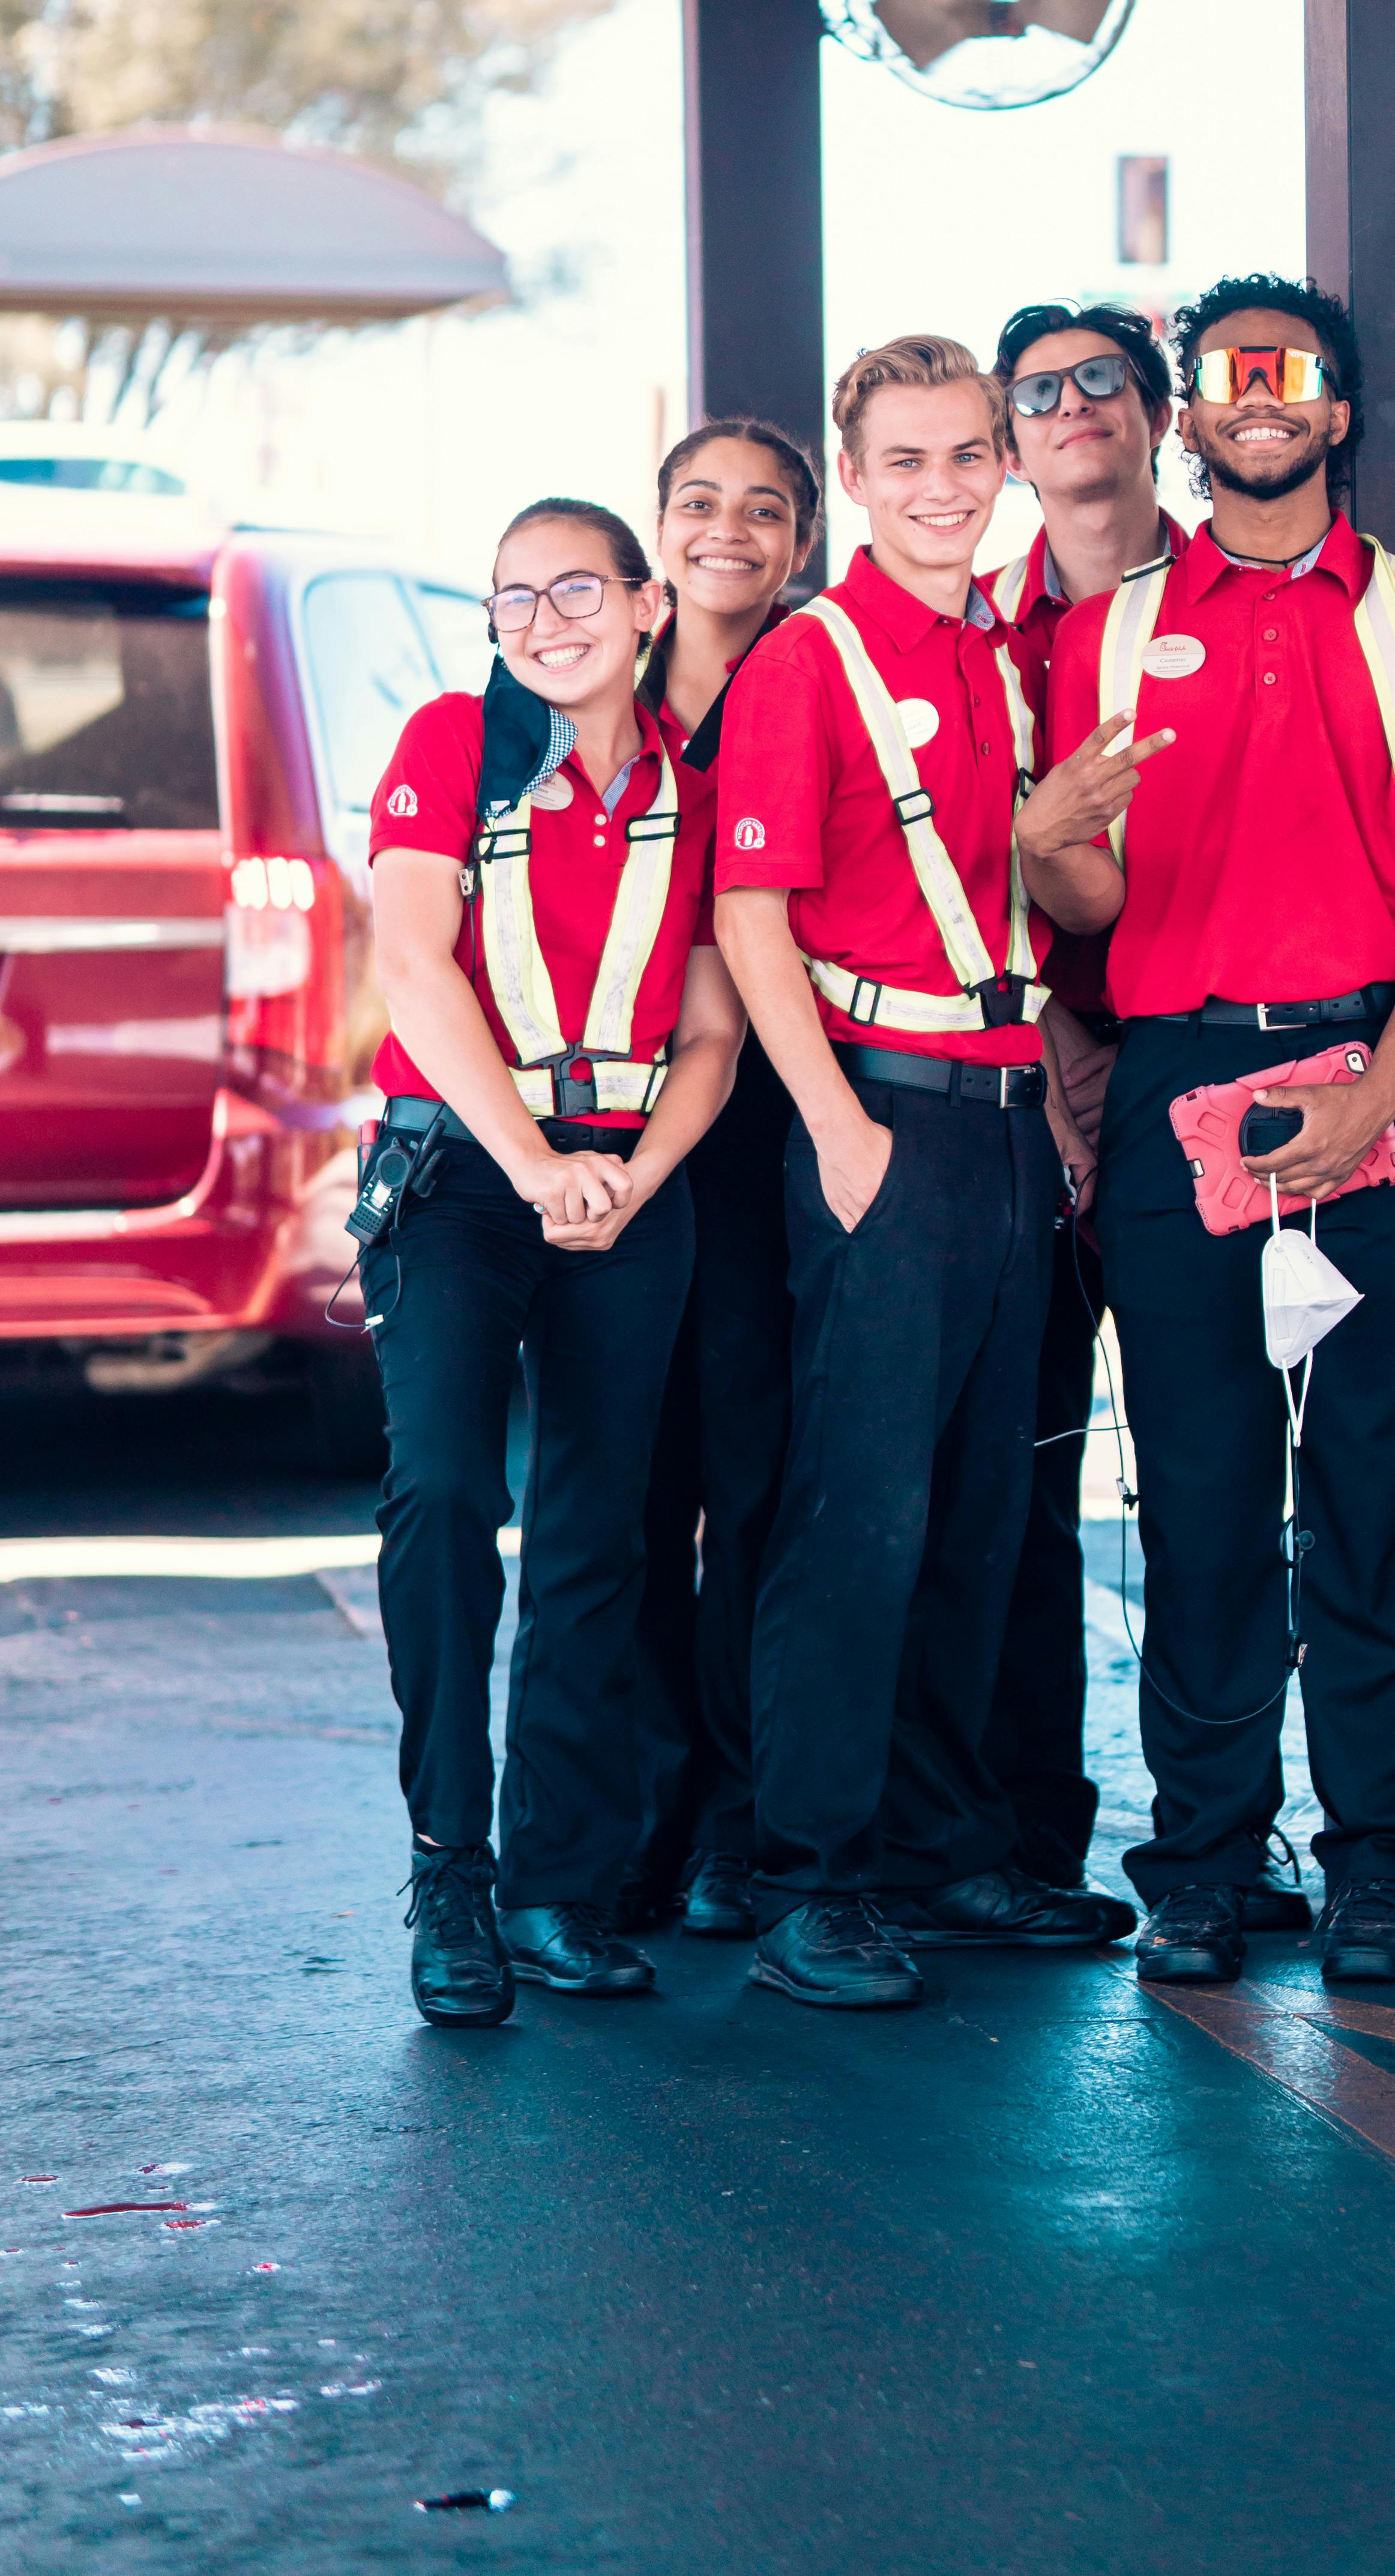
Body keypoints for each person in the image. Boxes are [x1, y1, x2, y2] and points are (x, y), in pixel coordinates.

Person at [1022, 274, 1395, 1991]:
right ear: (1186, 415)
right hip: (1184, 1085)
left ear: (1337, 408)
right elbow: (1088, 908)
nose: (1257, 399)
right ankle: (1197, 1857)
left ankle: (1380, 1861)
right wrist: (1051, 846)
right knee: (1197, 1493)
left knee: (1375, 1493)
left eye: (1290, 374)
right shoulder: (1094, 632)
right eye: (1226, 378)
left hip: (1373, 1083)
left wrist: (1377, 1096)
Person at [714, 334, 1124, 2010]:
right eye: (907, 460)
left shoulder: (996, 658)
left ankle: (948, 1850)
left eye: (970, 454)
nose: (945, 485)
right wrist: (837, 1132)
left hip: (1007, 1108)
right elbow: (752, 917)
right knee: (858, 1511)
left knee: (981, 1508)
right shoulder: (810, 660)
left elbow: (1064, 906)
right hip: (881, 1109)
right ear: (854, 480)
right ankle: (812, 1874)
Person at [366, 498, 745, 2028]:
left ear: (648, 604)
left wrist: (634, 1178)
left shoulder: (696, 785)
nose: (543, 618)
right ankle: (451, 1864)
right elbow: (410, 960)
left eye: (576, 588)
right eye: (513, 596)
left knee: (602, 1536)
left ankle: (556, 1883)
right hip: (464, 1173)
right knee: (447, 1489)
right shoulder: (453, 739)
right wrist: (535, 1169)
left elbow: (713, 1026)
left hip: (631, 1173)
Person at [981, 301, 1189, 1901]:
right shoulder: (966, 623)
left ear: (1153, 412)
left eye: (1098, 383)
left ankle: (1216, 1835)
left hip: (1206, 1072)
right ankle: (1025, 1835)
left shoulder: (1240, 597)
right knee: (1021, 1468)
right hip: (1015, 1080)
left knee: (1214, 1471)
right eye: (1036, 392)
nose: (1069, 410)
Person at [619, 417, 821, 1944]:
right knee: (625, 1486)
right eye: (699, 503)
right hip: (609, 1144)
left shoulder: (818, 684)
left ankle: (738, 1827)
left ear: (801, 540)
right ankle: (633, 1811)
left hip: (767, 1138)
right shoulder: (589, 701)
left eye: (764, 507)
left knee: (749, 1479)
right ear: (657, 532)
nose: (730, 530)